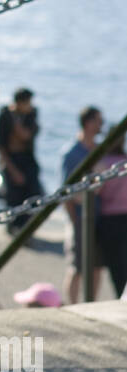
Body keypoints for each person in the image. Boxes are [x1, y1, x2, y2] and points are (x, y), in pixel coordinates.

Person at [61, 106, 104, 303]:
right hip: (79, 215)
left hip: (98, 215)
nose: (101, 125)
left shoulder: (99, 149)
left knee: (96, 265)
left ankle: (92, 303)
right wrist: (73, 219)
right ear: (88, 123)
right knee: (77, 266)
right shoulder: (71, 153)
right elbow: (65, 191)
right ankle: (73, 304)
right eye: (98, 121)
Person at [0, 89, 42, 234]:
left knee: (33, 193)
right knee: (14, 197)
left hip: (27, 160)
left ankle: (27, 228)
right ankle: (14, 228)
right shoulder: (5, 116)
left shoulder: (31, 114)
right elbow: (0, 145)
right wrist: (12, 170)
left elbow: (27, 135)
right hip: (11, 160)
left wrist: (17, 119)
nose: (30, 105)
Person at [95, 129, 127, 299]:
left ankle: (121, 301)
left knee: (117, 269)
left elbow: (95, 190)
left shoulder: (104, 164)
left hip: (110, 221)